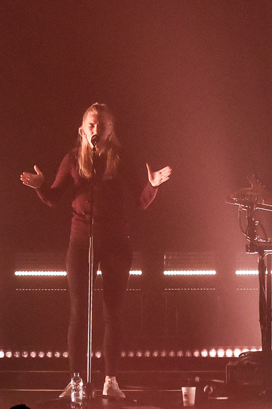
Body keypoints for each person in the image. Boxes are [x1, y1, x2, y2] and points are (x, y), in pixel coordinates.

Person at [21, 103, 172, 399]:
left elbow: (140, 202)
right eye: (91, 125)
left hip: (117, 241)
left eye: (101, 126)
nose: (96, 130)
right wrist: (40, 186)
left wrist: (152, 186)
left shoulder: (121, 159)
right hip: (81, 241)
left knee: (112, 312)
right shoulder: (73, 159)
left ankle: (111, 379)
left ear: (110, 130)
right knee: (80, 312)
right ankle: (77, 379)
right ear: (82, 129)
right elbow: (54, 198)